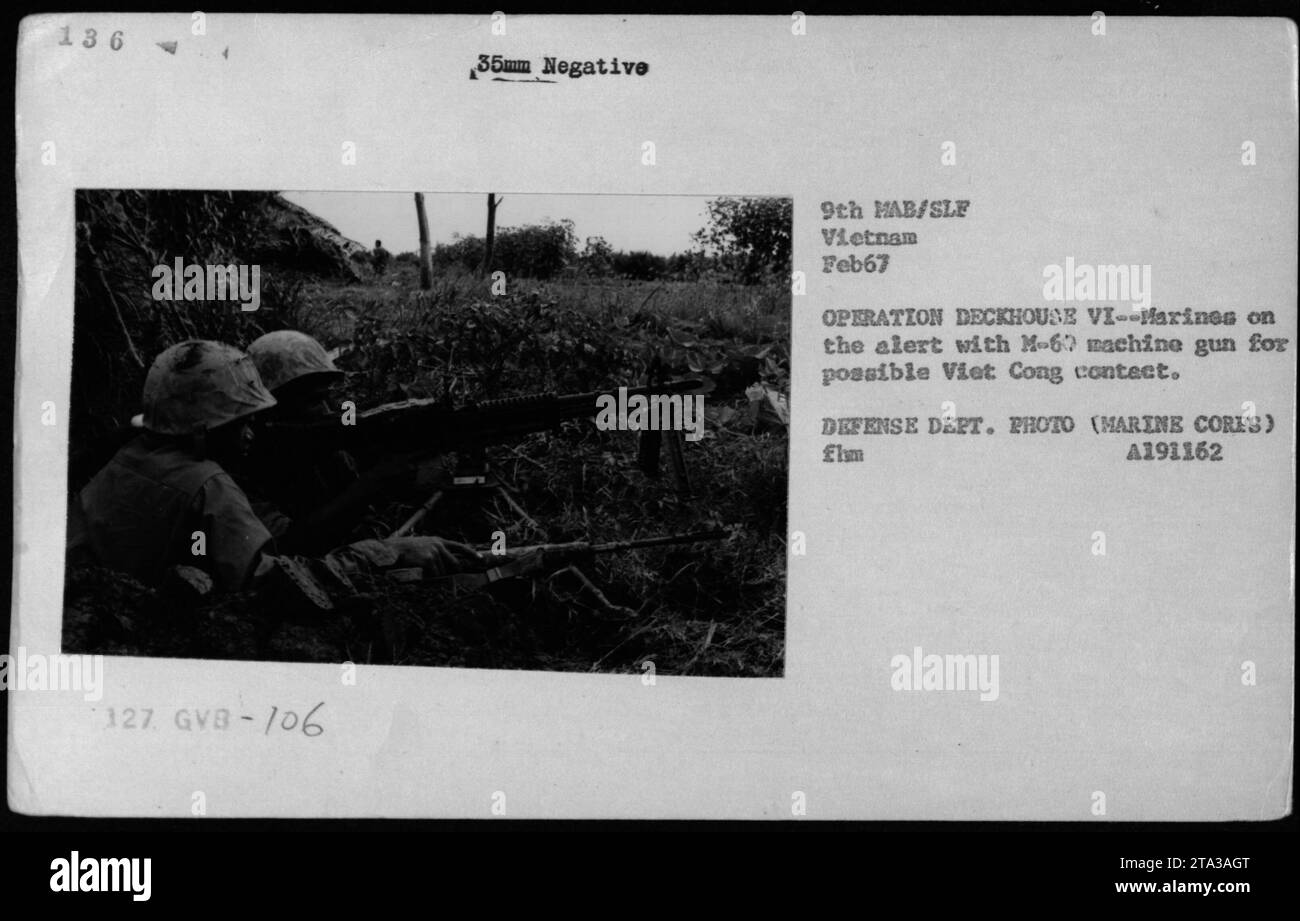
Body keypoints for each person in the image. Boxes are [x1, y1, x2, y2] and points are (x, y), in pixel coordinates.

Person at [68, 339, 476, 596]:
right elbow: (276, 583)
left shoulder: (130, 455)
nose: (251, 436)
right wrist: (385, 553)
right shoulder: (211, 483)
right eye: (244, 422)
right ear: (207, 427)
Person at [243, 329, 443, 555]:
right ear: (269, 408)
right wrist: (372, 484)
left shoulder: (326, 449)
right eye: (313, 401)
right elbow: (287, 546)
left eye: (329, 397)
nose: (328, 411)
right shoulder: (243, 467)